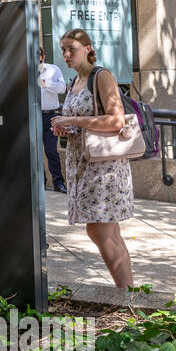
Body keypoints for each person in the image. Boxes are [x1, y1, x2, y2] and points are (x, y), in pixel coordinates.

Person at [49, 29, 135, 289]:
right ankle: (129, 293)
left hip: (104, 166)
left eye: (71, 49)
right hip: (81, 164)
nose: (66, 54)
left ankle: (126, 295)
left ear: (87, 48)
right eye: (63, 49)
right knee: (108, 231)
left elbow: (117, 120)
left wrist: (72, 120)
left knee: (99, 230)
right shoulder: (75, 80)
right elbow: (82, 123)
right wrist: (64, 128)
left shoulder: (101, 75)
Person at [38, 45, 67, 193]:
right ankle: (39, 183)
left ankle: (58, 183)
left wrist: (47, 84)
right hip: (33, 115)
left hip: (50, 115)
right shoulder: (26, 71)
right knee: (35, 151)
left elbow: (62, 88)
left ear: (43, 56)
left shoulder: (53, 70)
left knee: (51, 151)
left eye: (38, 56)